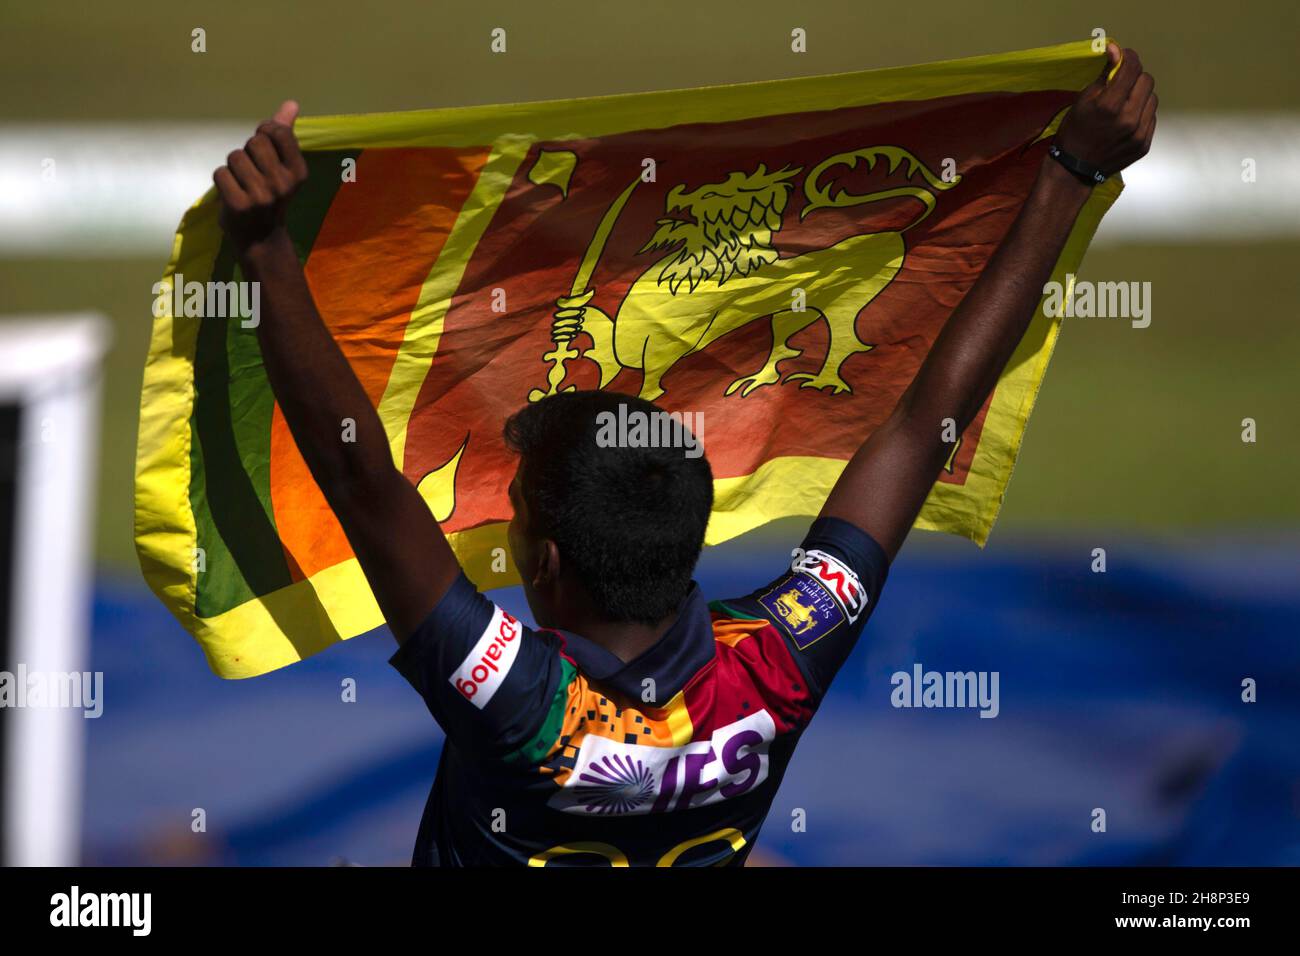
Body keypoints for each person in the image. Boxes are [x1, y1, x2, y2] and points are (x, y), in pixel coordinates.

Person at [212, 43, 1156, 866]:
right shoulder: (777, 663)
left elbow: (358, 474)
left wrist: (262, 247)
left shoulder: (521, 702)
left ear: (542, 564)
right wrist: (1069, 173)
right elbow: (924, 424)